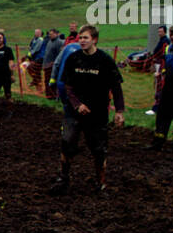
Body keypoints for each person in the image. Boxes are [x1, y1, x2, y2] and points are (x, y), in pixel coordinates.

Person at [50, 24, 124, 195]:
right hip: (73, 112)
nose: (82, 41)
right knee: (67, 142)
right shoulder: (73, 59)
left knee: (99, 149)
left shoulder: (105, 60)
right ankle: (63, 179)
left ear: (94, 40)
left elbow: (116, 87)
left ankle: (101, 183)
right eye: (80, 38)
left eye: (85, 38)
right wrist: (77, 104)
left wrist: (119, 111)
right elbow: (67, 86)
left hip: (97, 113)